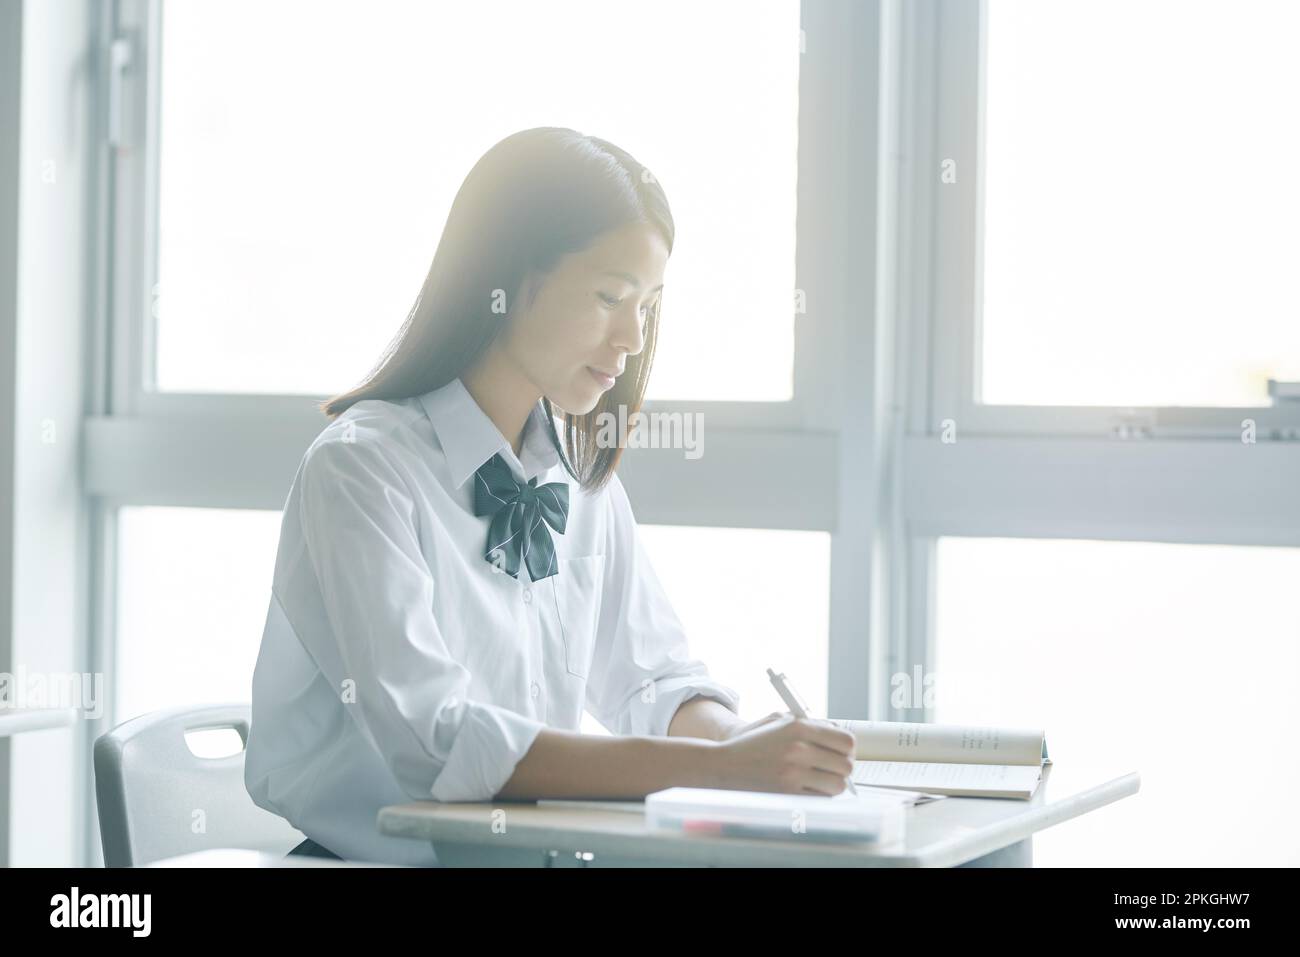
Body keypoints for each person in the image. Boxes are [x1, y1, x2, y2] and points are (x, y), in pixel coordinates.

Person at [243, 127, 856, 865]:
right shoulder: (361, 470)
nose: (632, 336)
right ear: (508, 280)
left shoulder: (580, 479)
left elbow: (656, 679)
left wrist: (752, 746)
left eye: (649, 306)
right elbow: (436, 744)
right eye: (609, 296)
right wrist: (722, 769)